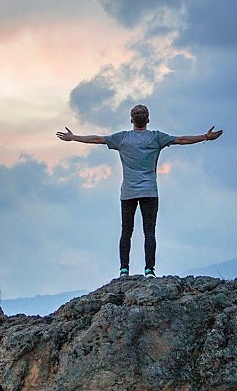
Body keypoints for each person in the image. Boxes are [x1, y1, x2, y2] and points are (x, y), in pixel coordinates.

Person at [58, 104, 223, 277]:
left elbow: (97, 139)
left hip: (128, 192)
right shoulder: (156, 138)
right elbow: (182, 140)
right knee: (149, 231)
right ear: (148, 120)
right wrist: (206, 136)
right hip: (150, 192)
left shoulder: (122, 138)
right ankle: (149, 270)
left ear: (131, 120)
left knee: (126, 231)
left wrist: (74, 137)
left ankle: (124, 270)